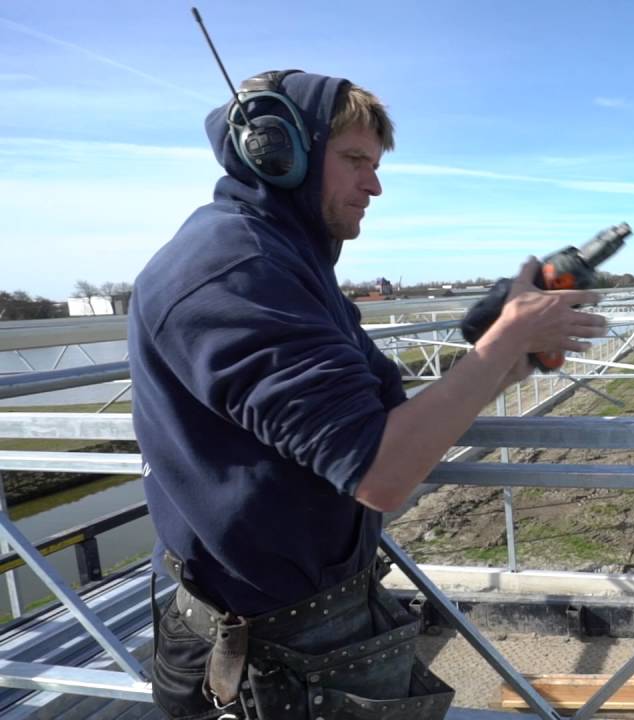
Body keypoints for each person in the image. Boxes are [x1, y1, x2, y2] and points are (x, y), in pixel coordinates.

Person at [128, 70, 606, 719]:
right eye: (355, 159)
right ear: (276, 150)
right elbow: (380, 471)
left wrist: (506, 361)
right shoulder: (236, 274)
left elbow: (379, 420)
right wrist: (505, 339)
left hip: (304, 627)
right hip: (274, 653)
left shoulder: (285, 263)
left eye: (375, 164)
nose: (374, 184)